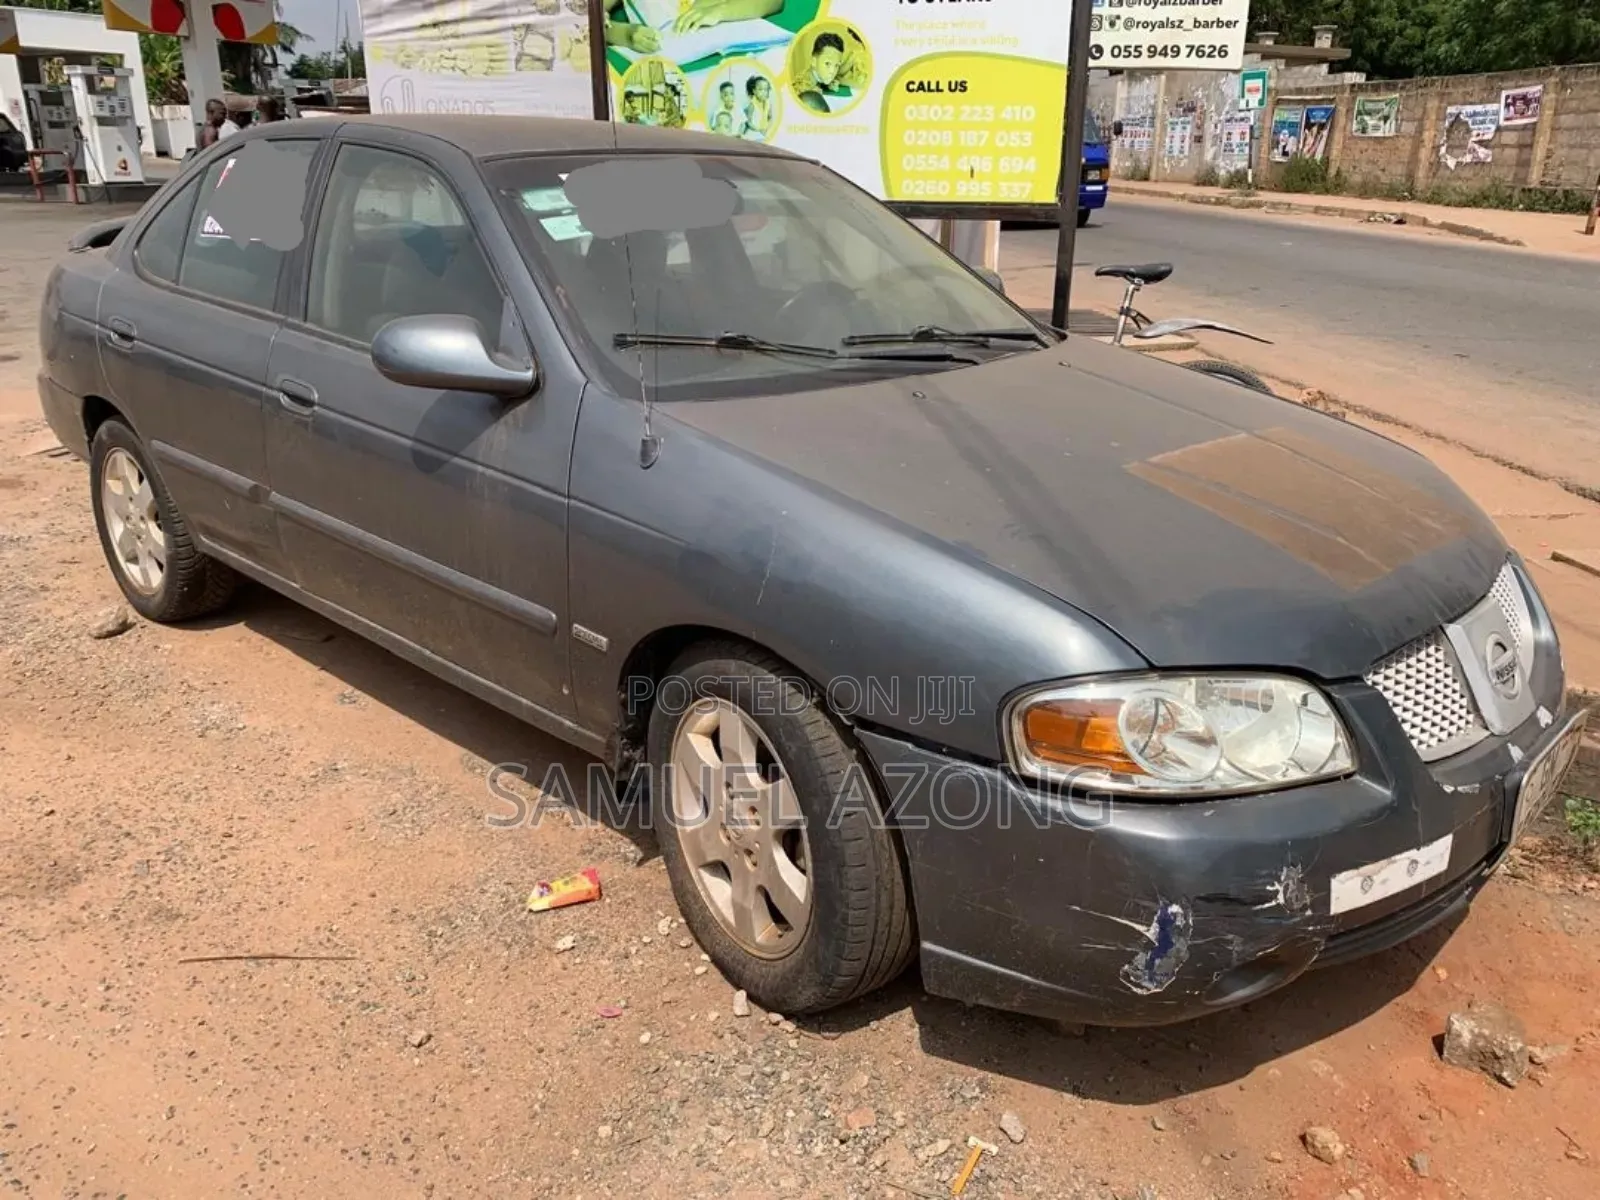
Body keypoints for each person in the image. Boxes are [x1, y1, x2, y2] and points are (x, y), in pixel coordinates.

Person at [795, 30, 845, 115]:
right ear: (814, 62)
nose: (832, 71)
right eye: (827, 63)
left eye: (836, 65)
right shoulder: (802, 89)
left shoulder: (818, 78)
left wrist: (827, 84)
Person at [741, 75, 773, 140]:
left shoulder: (768, 103)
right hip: (753, 132)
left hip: (764, 131)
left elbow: (770, 117)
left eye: (766, 90)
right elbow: (748, 122)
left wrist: (767, 128)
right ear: (754, 91)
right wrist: (758, 130)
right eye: (760, 89)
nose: (763, 92)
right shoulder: (752, 105)